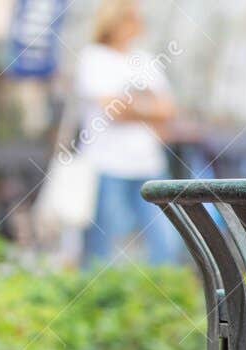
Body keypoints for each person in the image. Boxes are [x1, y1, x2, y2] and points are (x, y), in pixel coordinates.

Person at [75, 0, 180, 267]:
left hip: (147, 164)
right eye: (132, 19)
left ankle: (163, 296)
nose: (138, 25)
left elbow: (168, 109)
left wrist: (131, 104)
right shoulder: (93, 57)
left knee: (166, 242)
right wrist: (145, 105)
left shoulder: (143, 59)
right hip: (107, 165)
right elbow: (114, 110)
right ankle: (99, 301)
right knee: (103, 246)